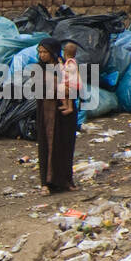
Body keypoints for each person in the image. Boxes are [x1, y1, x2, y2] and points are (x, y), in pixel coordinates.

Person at [35, 38, 77, 194]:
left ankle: (66, 180)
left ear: (52, 52)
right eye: (40, 52)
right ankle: (45, 183)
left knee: (65, 146)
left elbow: (74, 85)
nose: (42, 55)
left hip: (63, 115)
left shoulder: (64, 67)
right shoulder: (38, 68)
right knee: (46, 146)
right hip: (46, 112)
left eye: (45, 52)